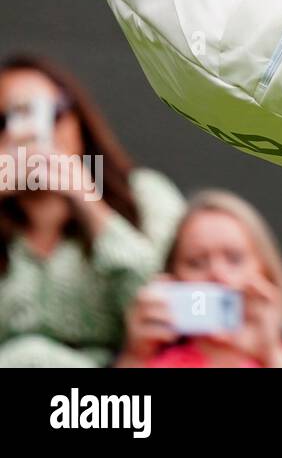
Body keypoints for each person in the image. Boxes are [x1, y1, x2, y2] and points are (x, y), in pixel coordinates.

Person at [0, 52, 184, 367]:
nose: (29, 134)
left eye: (47, 115)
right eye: (7, 120)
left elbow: (172, 306)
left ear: (78, 119)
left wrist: (87, 201)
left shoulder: (142, 195)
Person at [117, 189, 282, 368]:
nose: (217, 275)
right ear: (172, 278)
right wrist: (135, 355)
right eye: (195, 262)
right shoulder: (149, 355)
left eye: (234, 258)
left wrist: (272, 353)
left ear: (265, 272)